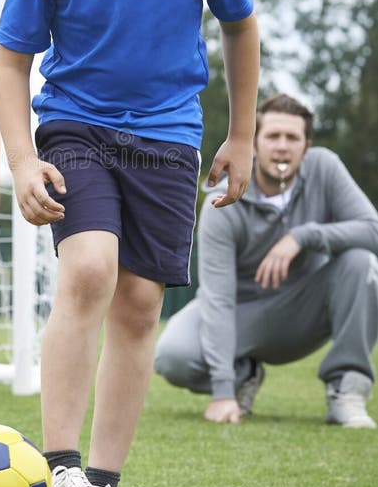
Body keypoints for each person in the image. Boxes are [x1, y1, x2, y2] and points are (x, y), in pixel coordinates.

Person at [0, 0, 259, 487]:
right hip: (76, 127)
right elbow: (11, 60)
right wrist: (19, 158)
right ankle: (59, 472)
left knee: (140, 306)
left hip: (170, 137)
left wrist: (239, 135)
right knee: (86, 272)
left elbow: (240, 28)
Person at [155, 93, 378, 429]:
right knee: (171, 355)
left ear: (307, 146)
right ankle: (244, 376)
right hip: (241, 312)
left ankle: (346, 391)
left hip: (304, 309)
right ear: (254, 145)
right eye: (273, 136)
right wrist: (222, 390)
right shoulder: (222, 201)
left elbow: (372, 230)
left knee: (361, 263)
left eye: (293, 138)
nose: (283, 146)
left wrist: (306, 236)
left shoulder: (325, 168)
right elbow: (217, 300)